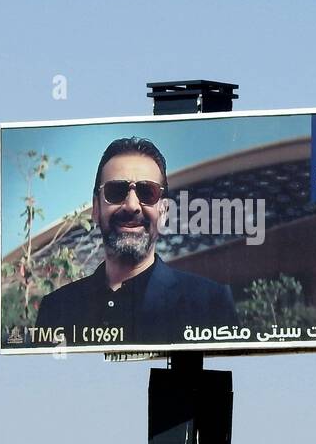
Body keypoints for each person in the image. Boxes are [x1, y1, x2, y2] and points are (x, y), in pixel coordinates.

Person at [34, 136, 237, 345]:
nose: (132, 205)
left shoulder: (210, 304)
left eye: (147, 192)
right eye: (116, 191)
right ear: (96, 208)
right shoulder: (56, 309)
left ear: (164, 211)